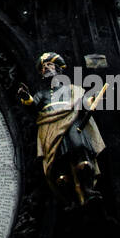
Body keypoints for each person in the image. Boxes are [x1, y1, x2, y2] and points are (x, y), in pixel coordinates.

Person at [18, 51, 105, 206]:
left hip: (71, 122)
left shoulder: (72, 89)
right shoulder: (42, 94)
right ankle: (70, 198)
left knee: (80, 148)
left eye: (49, 65)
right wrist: (26, 97)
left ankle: (87, 188)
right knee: (59, 161)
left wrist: (94, 98)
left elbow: (85, 103)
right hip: (50, 127)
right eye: (43, 67)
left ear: (58, 69)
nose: (45, 69)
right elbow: (33, 106)